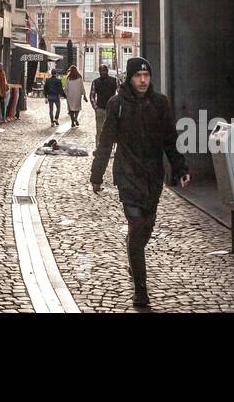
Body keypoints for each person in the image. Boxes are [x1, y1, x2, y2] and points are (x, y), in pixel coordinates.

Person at [90, 56, 190, 309]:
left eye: (146, 76)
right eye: (138, 76)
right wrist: (96, 174)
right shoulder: (117, 104)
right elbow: (105, 142)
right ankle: (141, 290)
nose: (143, 80)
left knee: (147, 227)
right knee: (136, 227)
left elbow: (170, 140)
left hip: (153, 177)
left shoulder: (160, 103)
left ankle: (133, 257)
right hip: (127, 176)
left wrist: (180, 168)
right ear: (130, 77)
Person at [89, 65, 118, 142]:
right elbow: (92, 96)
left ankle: (109, 146)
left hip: (112, 110)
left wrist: (117, 106)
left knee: (111, 130)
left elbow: (120, 94)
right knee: (99, 130)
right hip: (100, 109)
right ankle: (99, 148)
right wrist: (95, 107)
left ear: (107, 71)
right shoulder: (95, 82)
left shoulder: (114, 80)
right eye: (101, 71)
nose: (102, 72)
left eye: (104, 70)